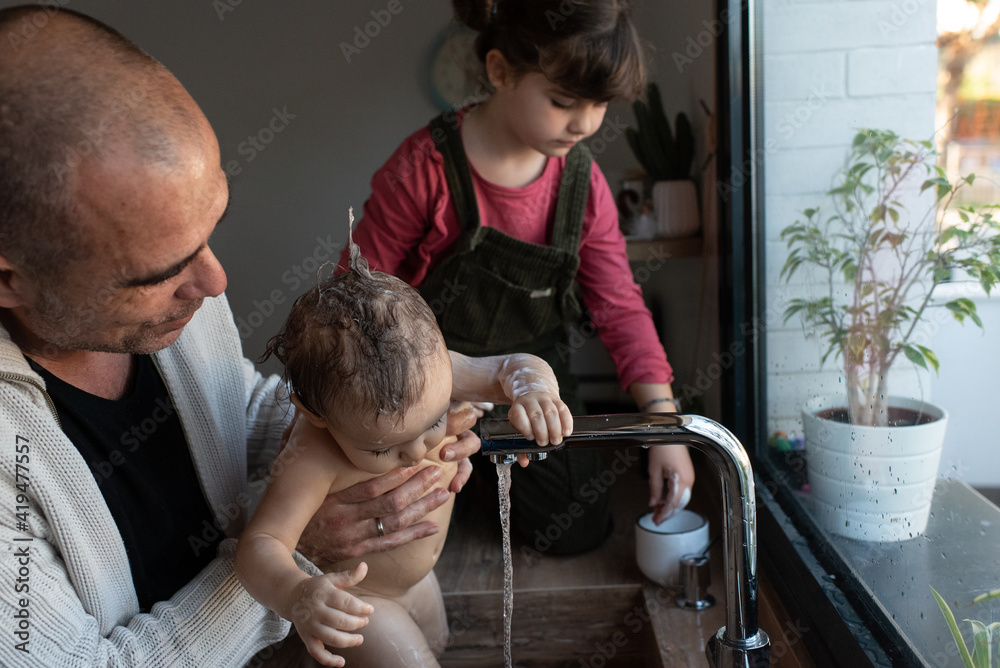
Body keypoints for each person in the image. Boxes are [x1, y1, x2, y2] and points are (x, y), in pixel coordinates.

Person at [0, 6, 482, 666]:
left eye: (211, 230)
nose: (215, 282)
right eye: (161, 272)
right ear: (9, 281)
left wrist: (384, 427)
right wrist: (291, 548)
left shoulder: (175, 297)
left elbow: (243, 412)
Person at [343, 0, 695, 555]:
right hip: (430, 377)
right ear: (501, 71)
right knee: (403, 525)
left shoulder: (583, 185)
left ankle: (488, 474)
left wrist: (664, 427)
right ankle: (468, 475)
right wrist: (421, 396)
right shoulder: (423, 169)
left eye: (600, 104)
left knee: (577, 527)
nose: (585, 123)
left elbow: (619, 307)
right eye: (563, 102)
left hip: (535, 383)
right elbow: (355, 299)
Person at [235, 235, 571, 667]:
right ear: (314, 413)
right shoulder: (311, 454)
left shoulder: (429, 369)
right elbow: (260, 545)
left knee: (437, 648)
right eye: (383, 449)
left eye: (433, 422)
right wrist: (297, 594)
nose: (417, 452)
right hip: (362, 602)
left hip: (420, 582)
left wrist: (534, 391)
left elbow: (510, 366)